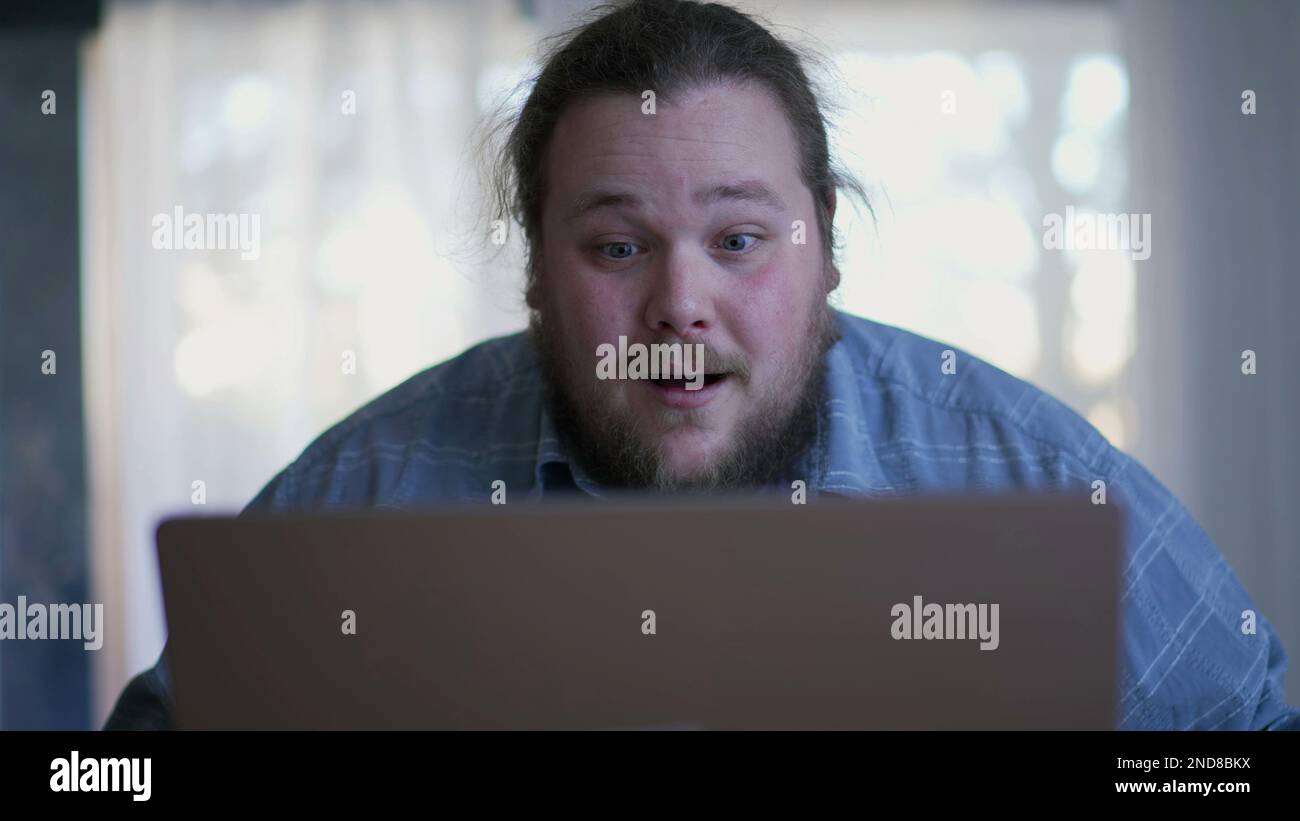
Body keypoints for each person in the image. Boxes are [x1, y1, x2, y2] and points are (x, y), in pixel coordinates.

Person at [106, 0, 1297, 730]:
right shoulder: (362, 492)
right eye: (617, 245)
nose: (680, 303)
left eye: (738, 240)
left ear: (823, 243)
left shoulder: (1036, 473)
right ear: (535, 268)